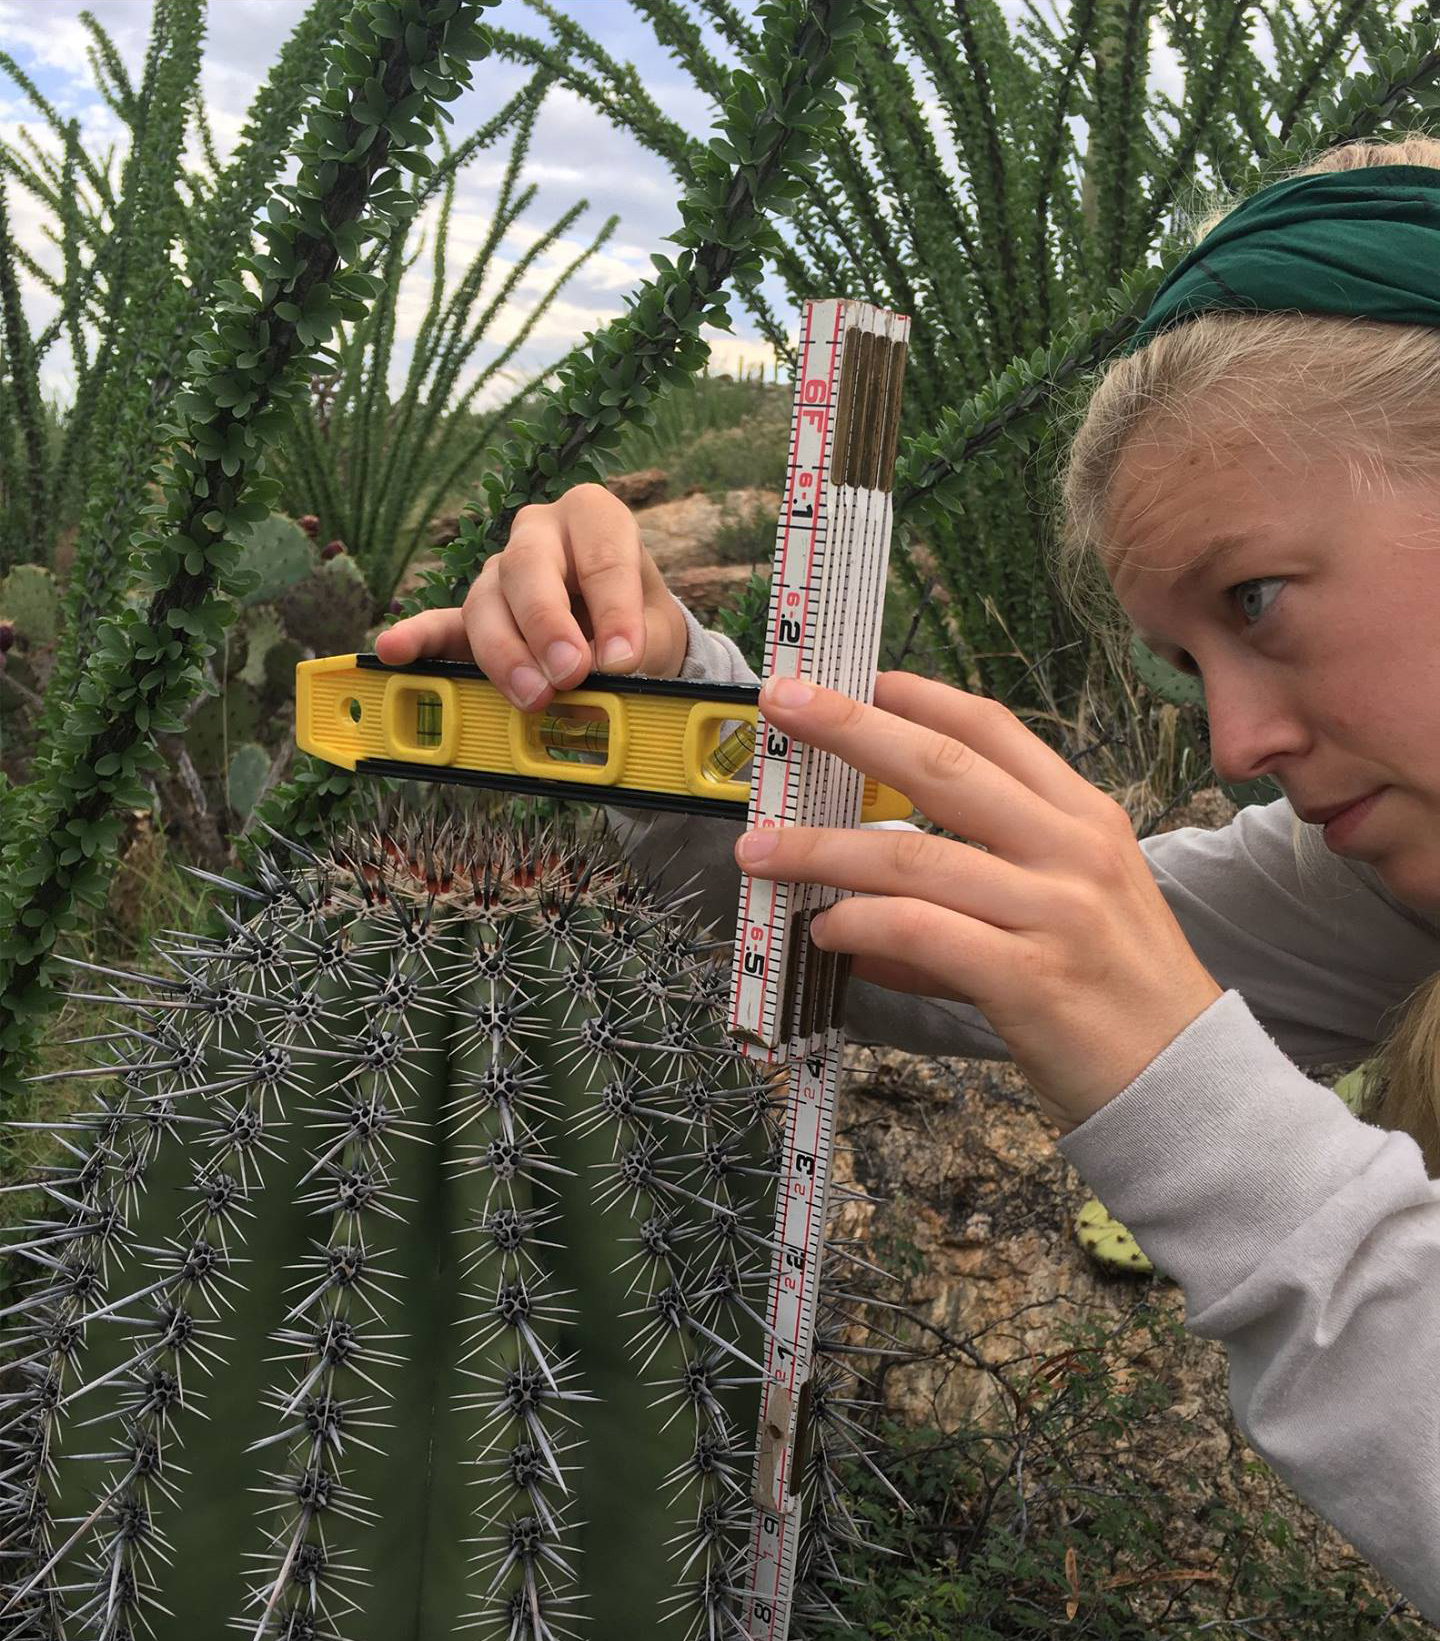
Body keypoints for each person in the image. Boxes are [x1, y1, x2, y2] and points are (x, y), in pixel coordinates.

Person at [376, 137, 1440, 1619]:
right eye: (1190, 661)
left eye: (1257, 598)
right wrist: (665, 701)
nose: (1243, 741)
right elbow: (902, 941)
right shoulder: (1382, 895)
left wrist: (1191, 1097)